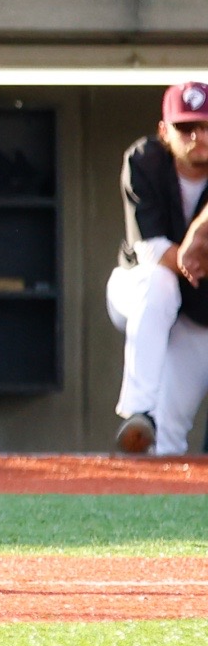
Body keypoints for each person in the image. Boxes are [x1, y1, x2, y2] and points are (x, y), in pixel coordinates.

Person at [109, 82, 208, 455]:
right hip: (136, 291)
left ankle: (160, 502)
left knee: (167, 438)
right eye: (186, 127)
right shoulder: (144, 159)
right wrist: (194, 253)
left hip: (199, 314)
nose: (199, 136)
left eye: (207, 125)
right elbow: (151, 250)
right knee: (159, 282)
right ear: (165, 130)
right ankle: (137, 410)